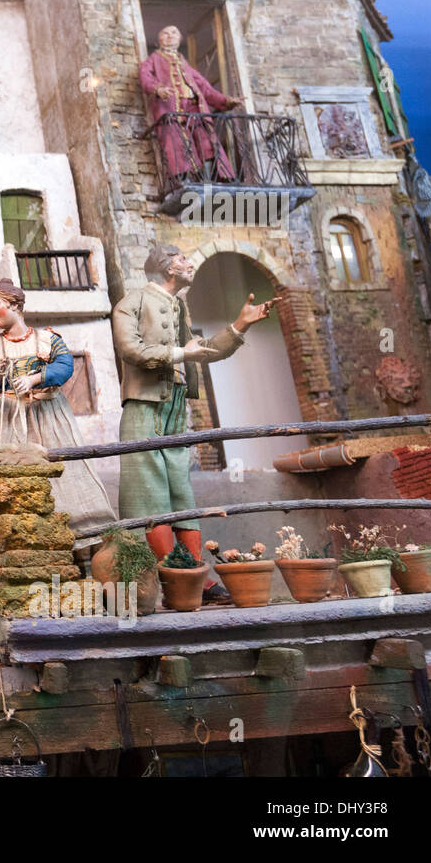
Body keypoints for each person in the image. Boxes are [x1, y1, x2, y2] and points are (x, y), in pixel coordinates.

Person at [111, 244, 279, 601]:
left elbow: (203, 352)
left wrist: (239, 325)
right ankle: (173, 580)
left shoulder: (178, 306)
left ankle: (196, 578)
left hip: (174, 409)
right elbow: (130, 350)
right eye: (183, 259)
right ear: (164, 267)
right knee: (149, 499)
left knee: (181, 494)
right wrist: (179, 353)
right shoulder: (132, 302)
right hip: (144, 408)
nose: (190, 264)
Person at [0, 281, 117, 543]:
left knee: (62, 472)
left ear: (14, 305)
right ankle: (16, 540)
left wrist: (36, 378)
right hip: (8, 420)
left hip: (48, 416)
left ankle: (74, 537)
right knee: (10, 479)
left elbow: (65, 366)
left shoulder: (47, 339)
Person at [139, 25, 243, 181]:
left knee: (206, 142)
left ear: (179, 39)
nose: (170, 36)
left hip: (194, 108)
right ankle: (185, 181)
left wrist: (226, 101)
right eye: (165, 33)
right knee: (177, 145)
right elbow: (144, 76)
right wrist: (158, 89)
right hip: (170, 109)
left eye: (174, 33)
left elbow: (205, 88)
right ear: (158, 40)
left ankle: (210, 180)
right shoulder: (153, 59)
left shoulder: (184, 63)